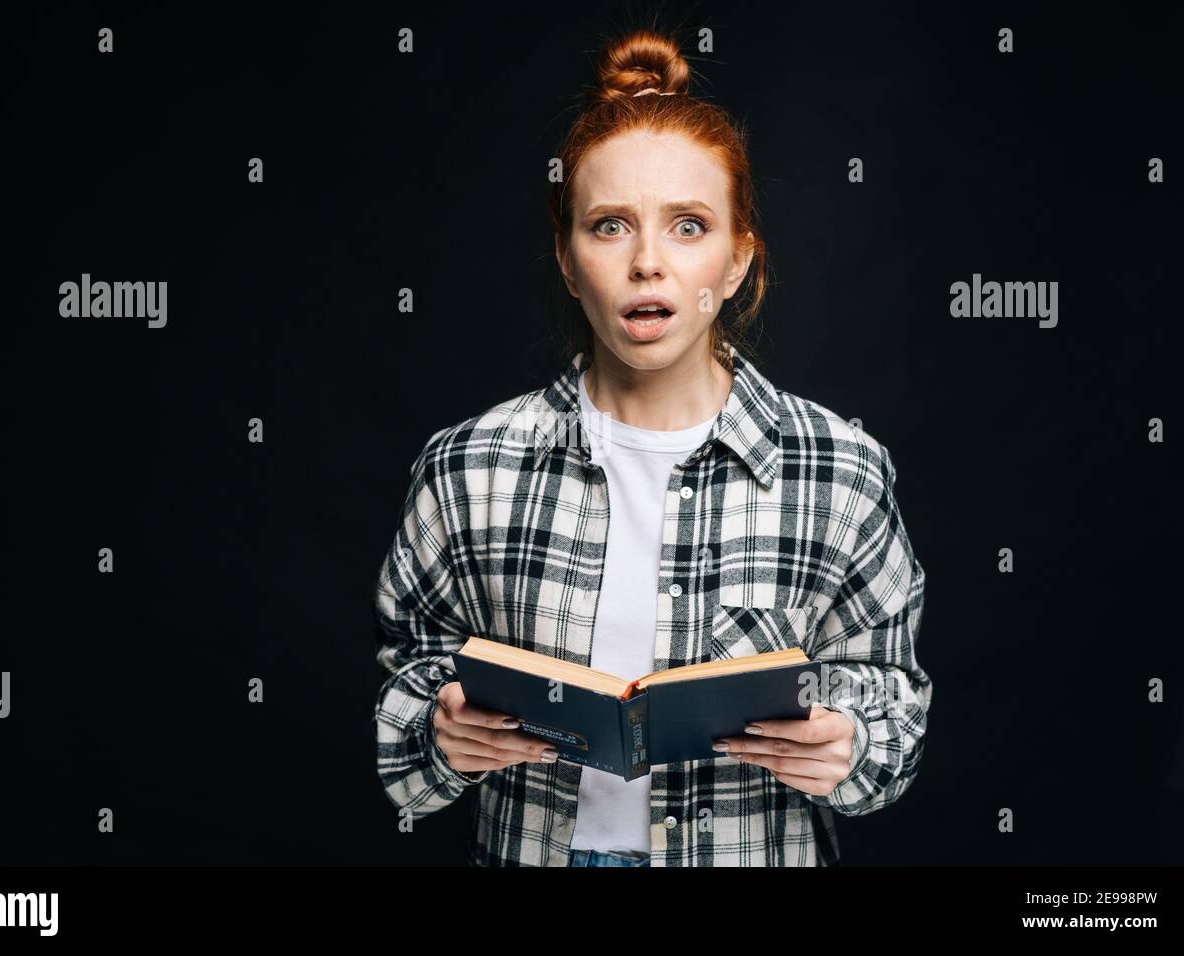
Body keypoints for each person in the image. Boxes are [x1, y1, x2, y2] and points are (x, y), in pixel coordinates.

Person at [373, 27, 931, 867]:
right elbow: (404, 694)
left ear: (739, 258)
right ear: (567, 259)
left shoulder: (841, 470)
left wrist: (847, 744)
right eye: (608, 227)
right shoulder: (466, 467)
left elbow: (897, 713)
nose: (646, 264)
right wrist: (440, 733)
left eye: (688, 226)